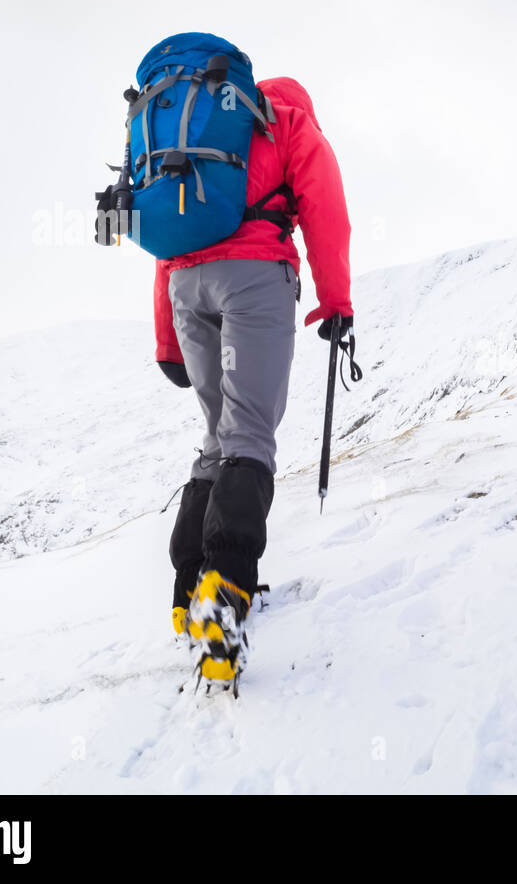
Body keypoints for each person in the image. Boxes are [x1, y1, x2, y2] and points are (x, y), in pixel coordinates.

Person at [152, 74, 353, 688]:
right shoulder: (287, 122)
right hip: (253, 280)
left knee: (216, 440)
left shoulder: (195, 141)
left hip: (187, 289)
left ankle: (191, 591)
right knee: (248, 439)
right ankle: (227, 593)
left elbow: (168, 239)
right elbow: (325, 206)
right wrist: (335, 299)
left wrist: (167, 336)